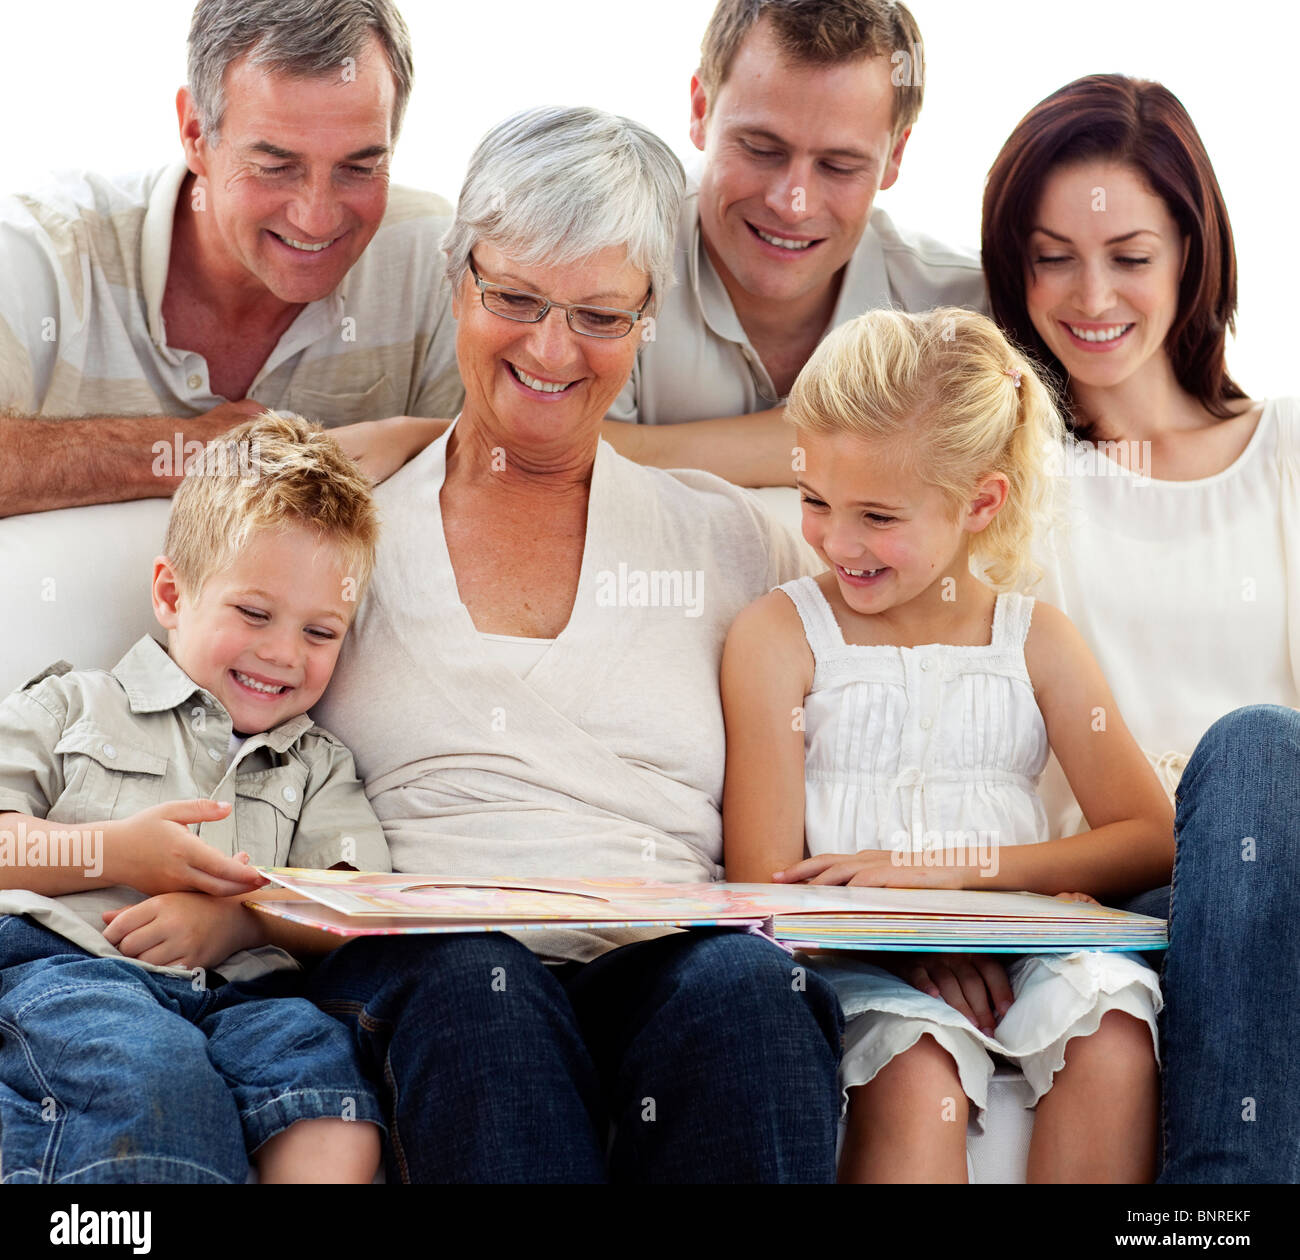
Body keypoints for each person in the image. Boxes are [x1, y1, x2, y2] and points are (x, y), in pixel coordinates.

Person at [304, 104, 844, 1184]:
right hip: (422, 969)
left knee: (751, 987)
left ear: (650, 319)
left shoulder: (729, 539)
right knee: (480, 988)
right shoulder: (339, 526)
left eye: (600, 315)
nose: (551, 350)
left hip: (662, 957)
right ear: (456, 279)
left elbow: (889, 717)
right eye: (513, 298)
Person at [721, 308, 1175, 1183]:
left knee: (1112, 1030)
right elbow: (765, 888)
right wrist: (916, 940)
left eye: (878, 516)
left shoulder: (1037, 640)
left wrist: (951, 876)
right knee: (912, 1065)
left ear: (980, 502)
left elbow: (1147, 837)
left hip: (1030, 945)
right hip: (863, 967)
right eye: (814, 501)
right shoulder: (780, 636)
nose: (837, 541)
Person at [982, 73, 1300, 1184]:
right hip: (1112, 895)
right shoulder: (1004, 488)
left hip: (1279, 885)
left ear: (1190, 255)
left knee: (1259, 749)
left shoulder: (1286, 453)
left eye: (1128, 254)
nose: (1088, 293)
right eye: (1050, 253)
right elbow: (813, 433)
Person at [0, 413, 391, 1183]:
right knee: (154, 1076)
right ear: (172, 594)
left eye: (321, 632)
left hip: (249, 994)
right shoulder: (73, 705)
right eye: (254, 613)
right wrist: (113, 853)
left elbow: (357, 900)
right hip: (74, 971)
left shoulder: (315, 763)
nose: (282, 653)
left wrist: (236, 923)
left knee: (329, 1098)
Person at [0, 0, 460, 518]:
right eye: (275, 166)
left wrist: (408, 437)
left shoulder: (437, 259)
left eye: (358, 168)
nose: (316, 218)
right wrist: (189, 450)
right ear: (196, 134)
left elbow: (521, 466)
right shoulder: (45, 246)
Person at [603, 0, 985, 487]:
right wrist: (865, 439)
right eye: (761, 149)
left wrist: (630, 452)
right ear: (700, 110)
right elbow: (539, 460)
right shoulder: (605, 263)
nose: (792, 204)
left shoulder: (966, 306)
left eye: (839, 166)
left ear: (896, 154)